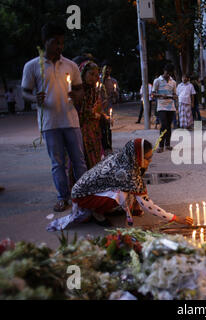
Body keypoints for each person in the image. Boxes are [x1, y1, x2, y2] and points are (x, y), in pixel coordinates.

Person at [46, 139, 193, 231]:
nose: (149, 162)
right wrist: (176, 219)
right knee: (120, 194)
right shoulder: (126, 173)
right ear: (137, 157)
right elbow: (147, 204)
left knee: (127, 190)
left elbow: (138, 187)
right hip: (82, 196)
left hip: (90, 189)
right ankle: (97, 212)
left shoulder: (124, 157)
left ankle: (103, 207)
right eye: (147, 159)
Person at [21, 22, 87, 212]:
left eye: (61, 43)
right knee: (58, 163)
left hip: (71, 121)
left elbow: (79, 88)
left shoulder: (71, 65)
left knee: (78, 160)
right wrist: (34, 98)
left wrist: (77, 95)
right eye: (55, 42)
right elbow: (25, 91)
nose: (59, 46)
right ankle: (63, 197)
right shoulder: (33, 66)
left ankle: (83, 195)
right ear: (45, 42)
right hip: (50, 123)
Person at [75, 60, 107, 169]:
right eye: (91, 74)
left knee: (94, 161)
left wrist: (102, 115)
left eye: (96, 75)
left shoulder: (94, 91)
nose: (94, 78)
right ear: (83, 73)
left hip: (93, 131)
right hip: (79, 130)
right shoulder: (76, 90)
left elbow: (97, 110)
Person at [152, 64, 178, 153]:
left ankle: (168, 145)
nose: (168, 75)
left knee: (169, 126)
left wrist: (175, 97)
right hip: (161, 106)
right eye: (167, 72)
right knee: (164, 125)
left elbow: (175, 94)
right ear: (164, 71)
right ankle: (160, 145)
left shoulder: (173, 82)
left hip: (171, 107)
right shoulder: (157, 81)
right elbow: (153, 94)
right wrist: (160, 95)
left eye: (170, 73)